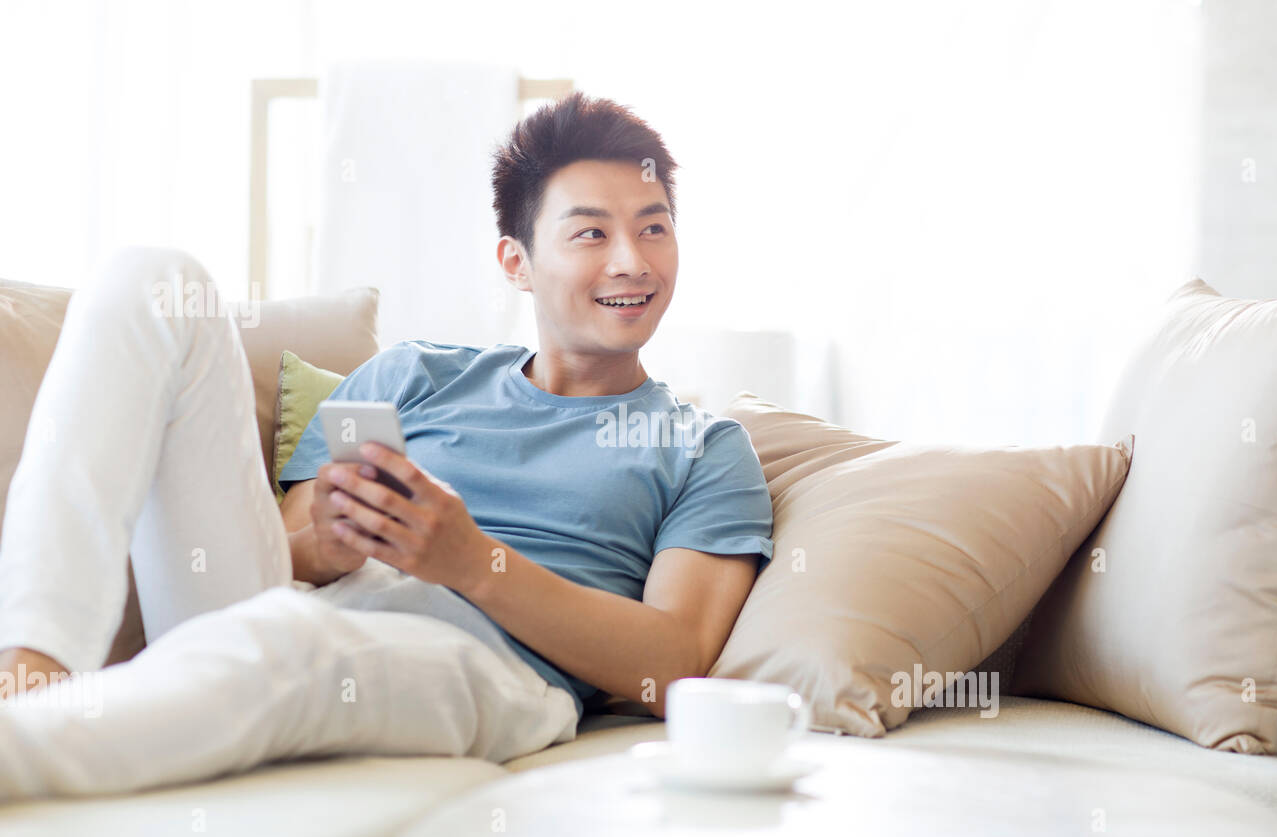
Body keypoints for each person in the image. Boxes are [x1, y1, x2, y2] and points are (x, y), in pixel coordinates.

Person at [0, 91, 773, 800]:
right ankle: (31, 662)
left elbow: (671, 665)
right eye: (591, 233)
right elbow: (288, 547)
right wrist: (326, 548)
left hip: (485, 667)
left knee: (289, 643)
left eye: (653, 228)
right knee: (157, 279)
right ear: (518, 263)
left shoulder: (704, 448)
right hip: (297, 609)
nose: (632, 261)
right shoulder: (411, 374)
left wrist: (474, 563)